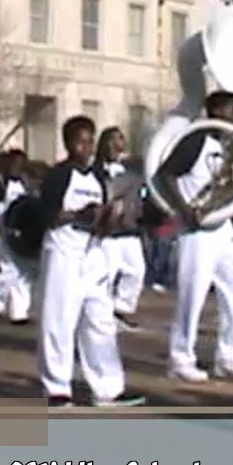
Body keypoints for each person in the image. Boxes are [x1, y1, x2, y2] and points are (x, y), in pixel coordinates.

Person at [37, 115, 145, 408]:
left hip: (92, 251)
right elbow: (48, 215)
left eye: (90, 140)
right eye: (80, 141)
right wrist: (79, 215)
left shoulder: (98, 176)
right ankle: (57, 387)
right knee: (59, 320)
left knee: (100, 320)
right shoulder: (59, 175)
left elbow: (102, 220)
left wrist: (109, 219)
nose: (86, 147)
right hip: (64, 251)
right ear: (69, 144)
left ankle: (108, 386)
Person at [159, 92, 233, 383]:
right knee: (193, 294)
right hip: (196, 229)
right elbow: (167, 175)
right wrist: (184, 209)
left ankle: (228, 356)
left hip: (222, 226)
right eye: (231, 109)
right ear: (216, 110)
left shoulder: (230, 145)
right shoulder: (196, 140)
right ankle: (180, 358)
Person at [95, 127, 146, 332]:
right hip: (109, 232)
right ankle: (102, 313)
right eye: (112, 140)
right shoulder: (98, 170)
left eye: (120, 139)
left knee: (136, 272)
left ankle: (120, 308)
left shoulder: (131, 170)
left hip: (130, 230)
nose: (116, 144)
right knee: (107, 274)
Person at [0, 149, 34, 325]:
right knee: (8, 269)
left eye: (21, 164)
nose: (18, 168)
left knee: (25, 270)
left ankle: (19, 311)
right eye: (15, 164)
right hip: (4, 231)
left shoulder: (25, 184)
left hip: (21, 232)